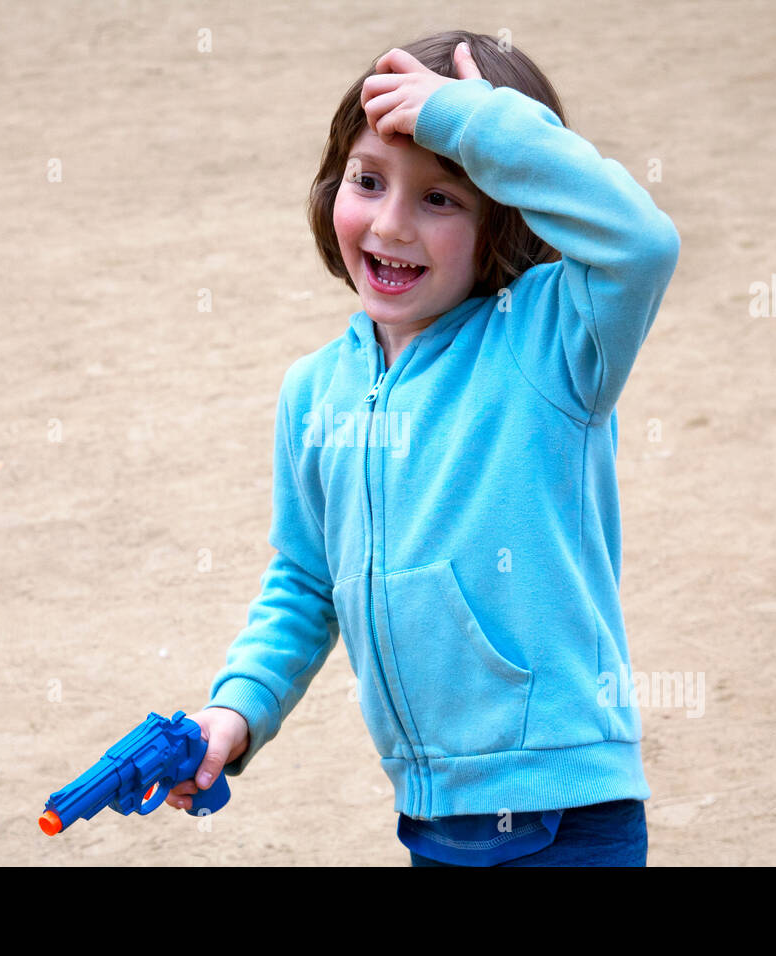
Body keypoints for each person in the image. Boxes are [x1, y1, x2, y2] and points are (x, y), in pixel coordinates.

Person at [163, 30, 680, 866]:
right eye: (368, 182)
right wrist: (238, 710)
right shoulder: (314, 391)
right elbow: (305, 579)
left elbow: (643, 244)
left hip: (567, 809)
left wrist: (482, 128)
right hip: (432, 812)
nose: (392, 224)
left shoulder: (549, 340)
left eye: (442, 197)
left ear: (508, 215)